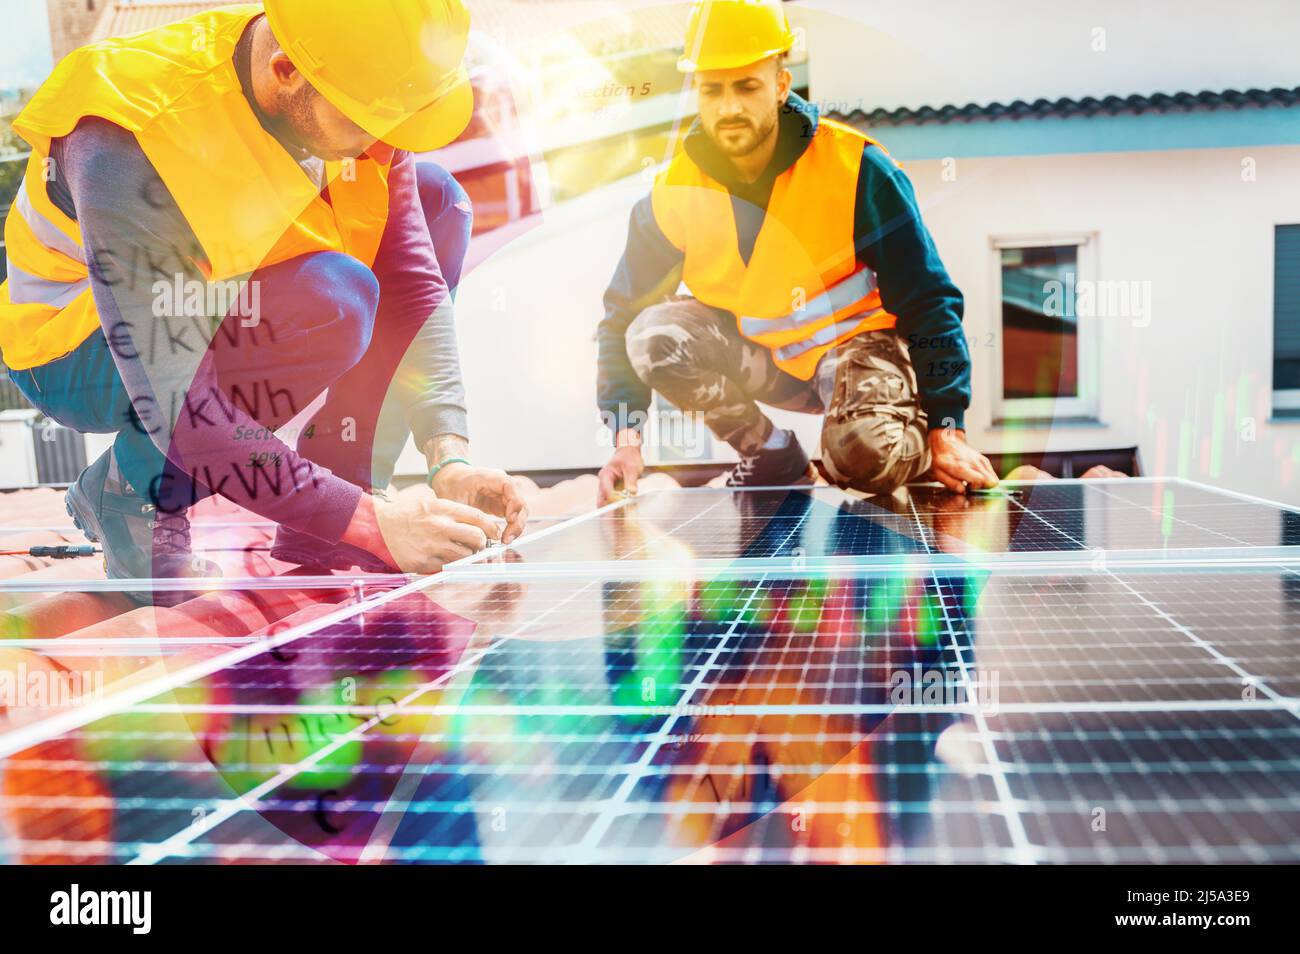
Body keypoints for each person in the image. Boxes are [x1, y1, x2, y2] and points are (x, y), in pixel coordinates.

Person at [0, 0, 527, 603]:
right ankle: (135, 490)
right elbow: (180, 406)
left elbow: (412, 283)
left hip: (209, 308)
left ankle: (341, 484)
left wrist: (449, 458)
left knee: (438, 202)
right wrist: (370, 524)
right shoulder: (128, 132)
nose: (383, 141)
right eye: (368, 121)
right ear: (285, 72)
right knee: (334, 301)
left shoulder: (352, 76)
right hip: (78, 351)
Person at [596, 0, 999, 504]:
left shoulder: (857, 170)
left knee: (860, 456)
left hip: (861, 351)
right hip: (770, 361)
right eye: (712, 89)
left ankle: (905, 434)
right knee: (650, 334)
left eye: (747, 86)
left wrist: (947, 427)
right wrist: (627, 442)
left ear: (782, 84)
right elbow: (620, 318)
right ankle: (772, 455)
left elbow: (928, 299)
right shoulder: (673, 194)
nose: (729, 107)